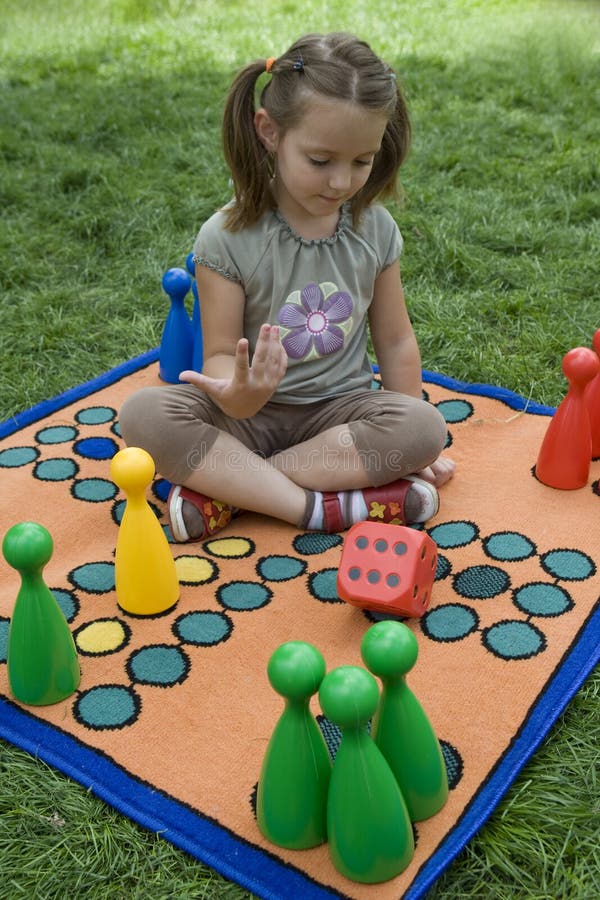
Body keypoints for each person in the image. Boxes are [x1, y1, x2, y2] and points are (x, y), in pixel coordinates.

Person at [119, 32, 455, 542]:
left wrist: (415, 438)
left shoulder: (375, 230)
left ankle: (231, 488)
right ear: (269, 131)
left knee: (424, 427)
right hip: (243, 419)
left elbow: (395, 342)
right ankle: (320, 508)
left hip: (340, 419)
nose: (342, 182)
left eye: (361, 161)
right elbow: (216, 358)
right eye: (321, 161)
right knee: (143, 416)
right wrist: (241, 394)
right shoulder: (226, 238)